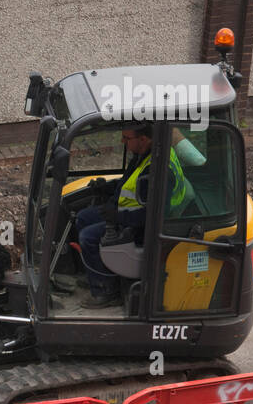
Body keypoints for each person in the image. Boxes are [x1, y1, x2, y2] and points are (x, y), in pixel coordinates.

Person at [76, 126, 190, 306]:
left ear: (143, 139)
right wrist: (105, 188)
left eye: (126, 138)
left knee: (87, 237)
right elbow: (127, 184)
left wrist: (118, 218)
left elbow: (153, 215)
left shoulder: (158, 171)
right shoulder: (144, 156)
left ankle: (106, 290)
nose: (123, 142)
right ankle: (97, 273)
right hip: (126, 213)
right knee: (83, 218)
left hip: (140, 227)